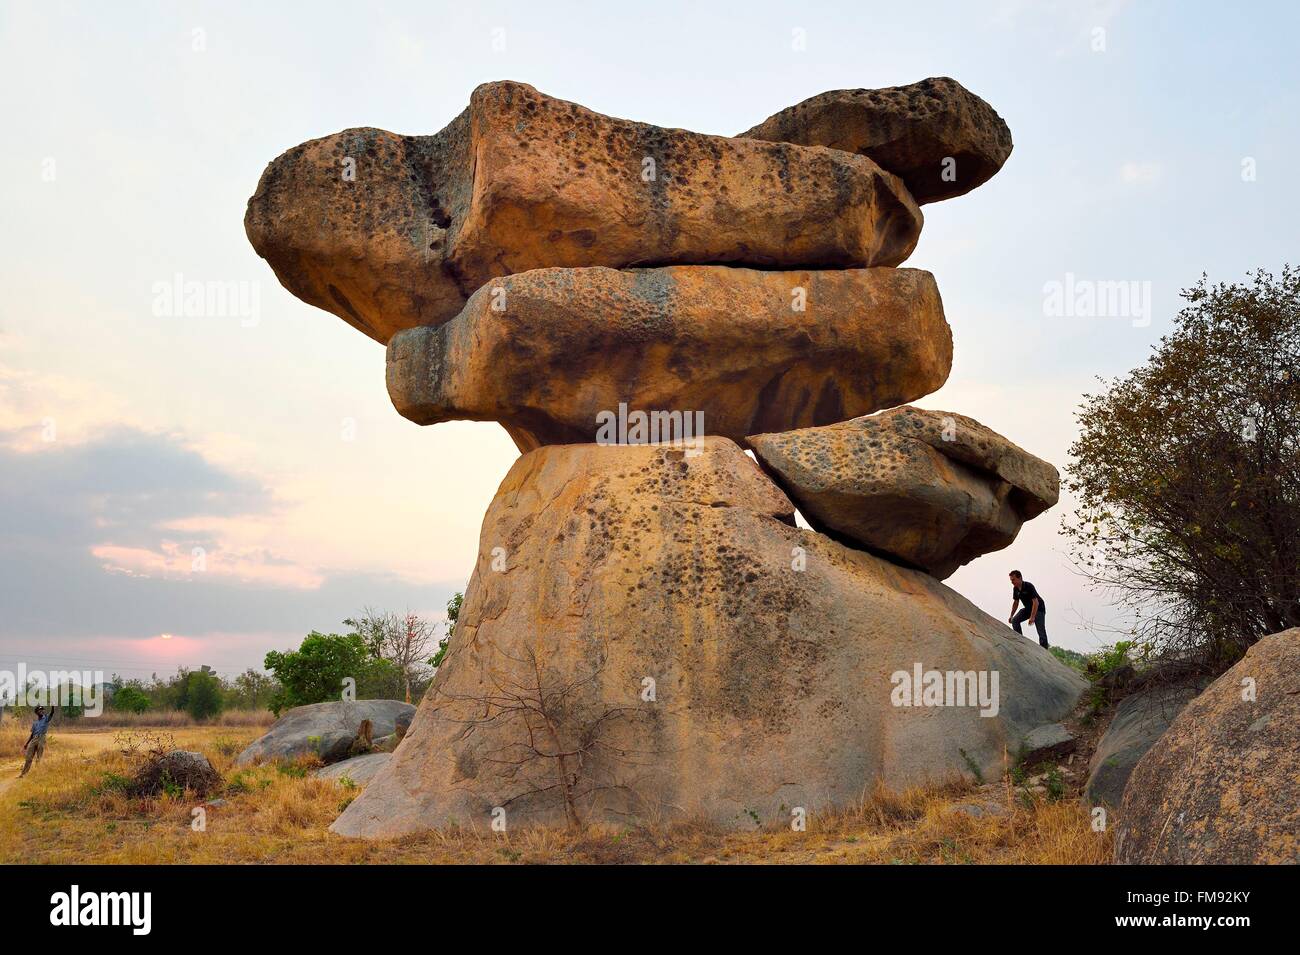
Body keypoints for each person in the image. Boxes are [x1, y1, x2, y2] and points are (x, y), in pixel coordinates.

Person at [1007, 570, 1049, 648]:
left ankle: (1044, 649)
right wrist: (1011, 615)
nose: (1012, 582)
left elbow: (1036, 602)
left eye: (1013, 580)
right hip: (1028, 608)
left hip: (1038, 608)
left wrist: (1032, 617)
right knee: (1015, 620)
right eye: (1011, 580)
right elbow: (1016, 602)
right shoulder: (1015, 589)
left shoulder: (1028, 586)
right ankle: (1020, 641)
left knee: (1040, 629)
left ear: (1020, 578)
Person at [20, 705, 54, 777]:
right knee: (28, 757)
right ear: (36, 712)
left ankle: (37, 774)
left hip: (41, 738)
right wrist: (26, 744)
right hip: (34, 739)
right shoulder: (35, 723)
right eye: (40, 710)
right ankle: (23, 774)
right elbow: (32, 734)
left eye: (42, 710)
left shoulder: (46, 719)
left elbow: (52, 713)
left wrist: (53, 706)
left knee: (39, 757)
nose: (41, 711)